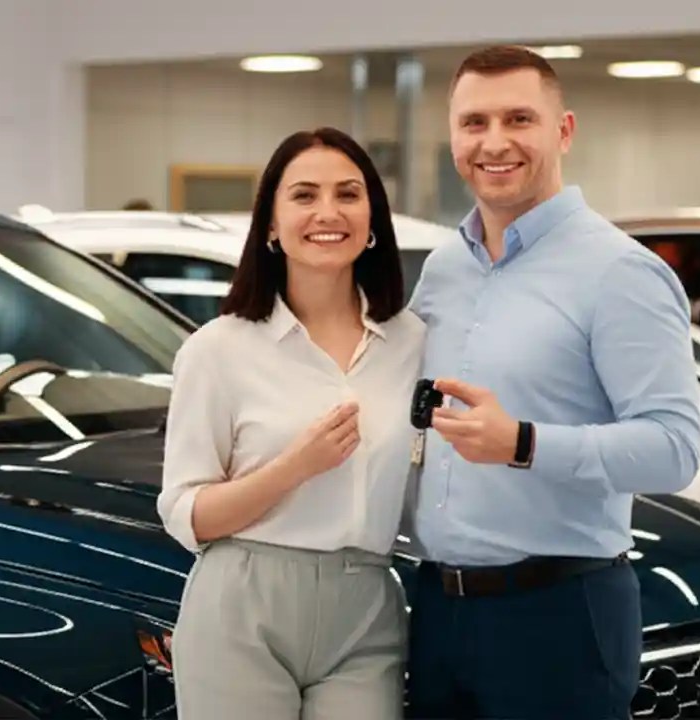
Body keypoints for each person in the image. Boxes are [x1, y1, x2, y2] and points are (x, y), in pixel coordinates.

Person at [404, 45, 700, 719]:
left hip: (557, 614)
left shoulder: (621, 272)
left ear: (563, 130)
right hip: (436, 611)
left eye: (519, 119)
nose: (494, 142)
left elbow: (674, 449)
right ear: (452, 136)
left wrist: (523, 442)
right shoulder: (445, 267)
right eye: (474, 122)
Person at [157, 126, 424, 720]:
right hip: (243, 602)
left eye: (348, 194)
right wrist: (294, 468)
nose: (328, 212)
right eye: (304, 195)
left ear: (373, 217)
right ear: (271, 225)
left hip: (367, 606)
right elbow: (186, 516)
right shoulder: (218, 349)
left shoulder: (412, 343)